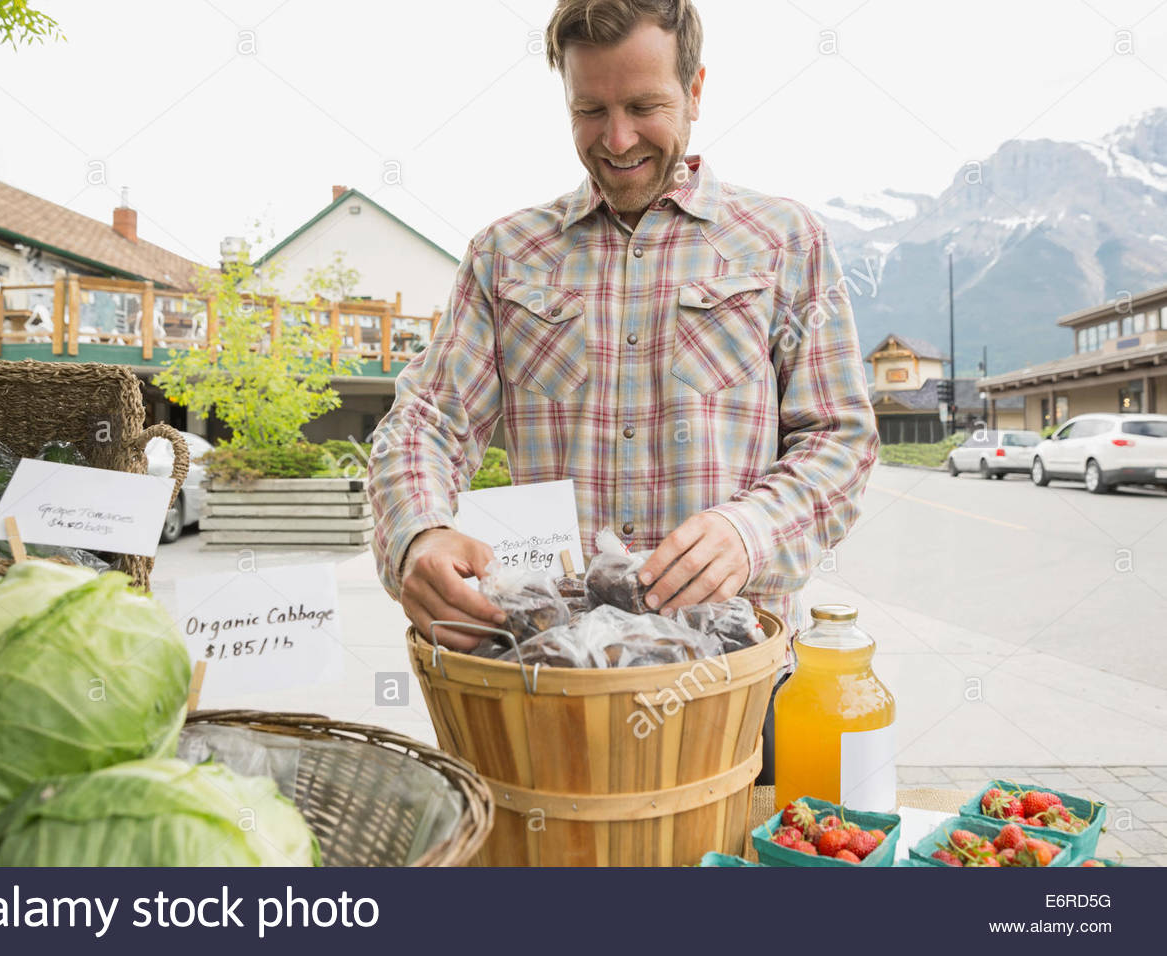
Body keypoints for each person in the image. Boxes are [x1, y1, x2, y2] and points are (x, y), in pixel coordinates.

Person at [367, 0, 878, 777]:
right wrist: (420, 534)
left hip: (734, 685)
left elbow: (841, 438)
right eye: (589, 109)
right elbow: (427, 422)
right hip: (549, 691)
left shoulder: (785, 241)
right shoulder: (505, 255)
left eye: (645, 107)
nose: (617, 139)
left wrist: (751, 529)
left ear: (696, 90)